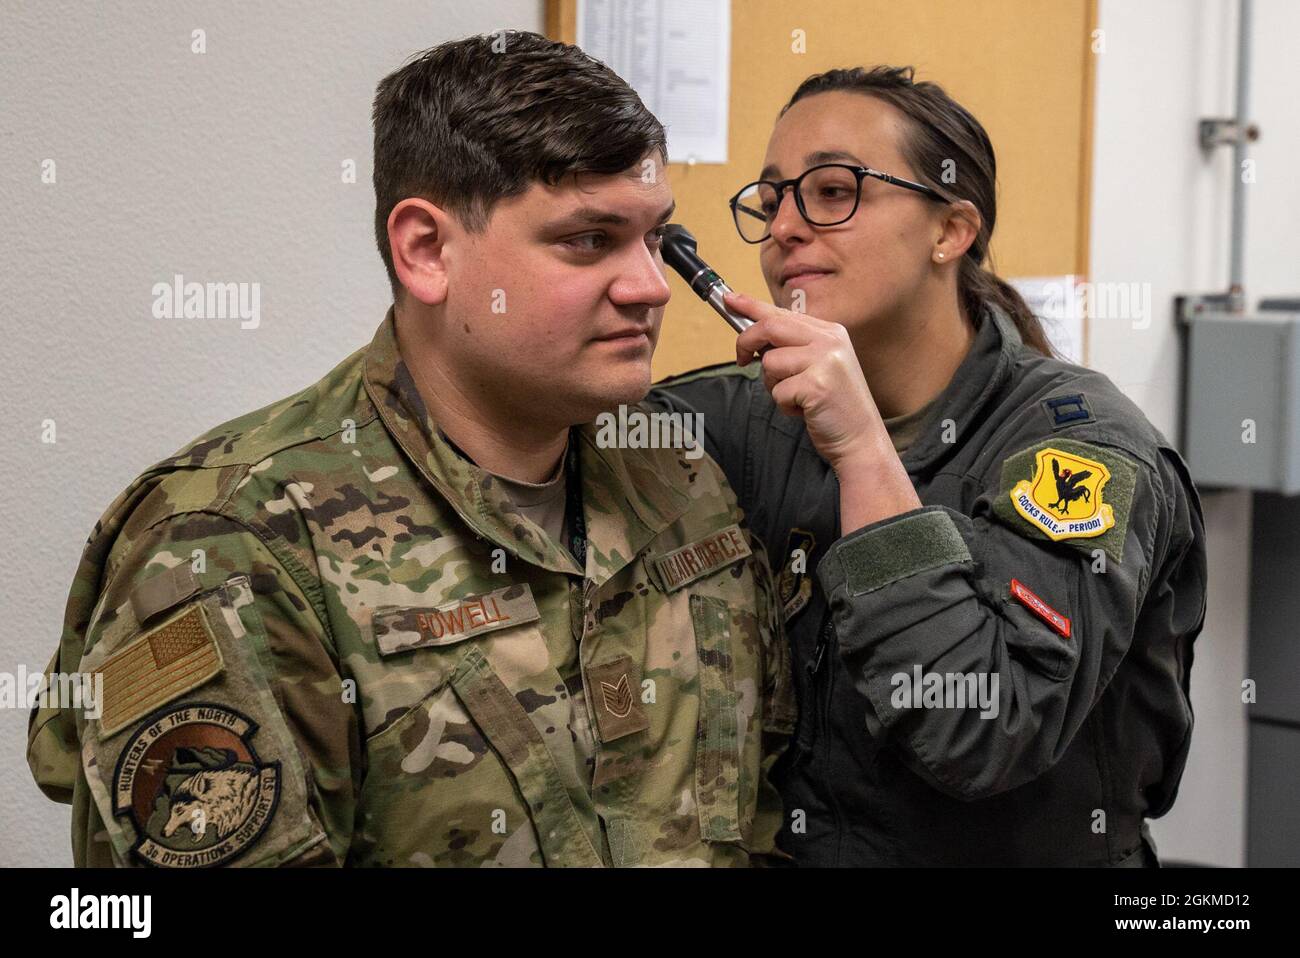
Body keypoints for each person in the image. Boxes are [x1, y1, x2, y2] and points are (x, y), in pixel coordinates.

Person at [26, 31, 794, 868]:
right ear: (426, 251)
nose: (649, 285)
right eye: (588, 240)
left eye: (655, 238)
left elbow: (765, 811)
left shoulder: (680, 482)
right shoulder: (231, 542)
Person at [650, 65, 1208, 866]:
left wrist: (861, 451)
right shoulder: (746, 417)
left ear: (952, 230)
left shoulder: (1080, 448)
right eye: (771, 201)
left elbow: (985, 727)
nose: (785, 229)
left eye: (834, 191)